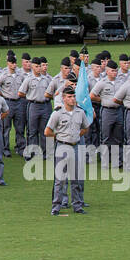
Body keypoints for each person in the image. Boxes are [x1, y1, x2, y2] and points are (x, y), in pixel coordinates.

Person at [45, 86, 88, 215]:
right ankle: (56, 207)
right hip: (62, 147)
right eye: (69, 97)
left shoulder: (80, 112)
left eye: (74, 96)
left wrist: (75, 137)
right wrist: (58, 137)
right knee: (60, 179)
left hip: (75, 146)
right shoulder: (57, 113)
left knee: (76, 179)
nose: (72, 99)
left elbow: (85, 128)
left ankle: (78, 205)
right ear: (63, 98)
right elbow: (47, 131)